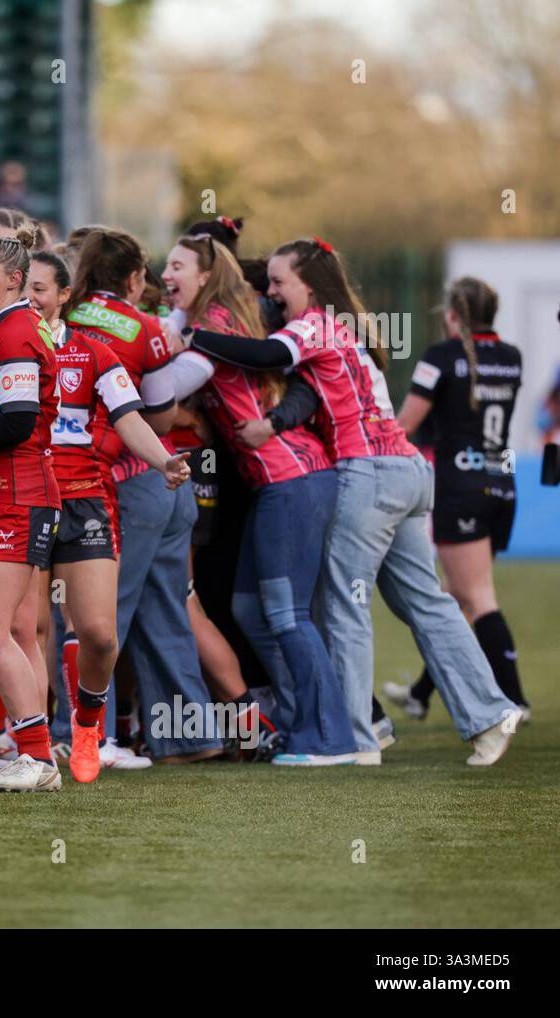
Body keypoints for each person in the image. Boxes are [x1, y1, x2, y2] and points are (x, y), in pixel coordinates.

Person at [173, 238, 520, 766]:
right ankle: (491, 715)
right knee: (424, 602)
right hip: (408, 471)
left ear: (307, 286)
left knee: (341, 603)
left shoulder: (312, 323)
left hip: (370, 471)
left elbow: (268, 354)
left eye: (279, 281)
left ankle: (357, 737)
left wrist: (191, 335)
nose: (271, 291)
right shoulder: (346, 326)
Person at [164, 235, 351, 764]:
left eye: (177, 266)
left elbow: (166, 389)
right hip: (280, 483)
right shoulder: (216, 321)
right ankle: (301, 726)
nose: (166, 275)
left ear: (205, 276)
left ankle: (331, 738)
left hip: (292, 480)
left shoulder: (216, 322)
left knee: (288, 616)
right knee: (251, 610)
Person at [65, 229, 225, 764]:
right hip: (166, 479)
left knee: (98, 615)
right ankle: (190, 736)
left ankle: (94, 738)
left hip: (116, 483)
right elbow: (155, 415)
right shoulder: (147, 328)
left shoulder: (62, 317)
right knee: (165, 610)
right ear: (135, 278)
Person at [37, 248, 190, 781]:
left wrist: (164, 460)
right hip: (20, 496)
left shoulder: (93, 353)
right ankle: (30, 741)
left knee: (100, 633)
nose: (31, 298)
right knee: (24, 626)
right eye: (23, 288)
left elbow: (131, 417)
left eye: (41, 289)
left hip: (84, 498)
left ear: (63, 296)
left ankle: (86, 728)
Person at [386, 277, 529, 721]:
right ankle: (421, 693)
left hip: (460, 486)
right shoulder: (511, 356)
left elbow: (405, 424)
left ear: (452, 315)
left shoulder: (441, 357)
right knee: (458, 596)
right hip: (502, 484)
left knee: (476, 597)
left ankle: (514, 701)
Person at [0, 228, 65, 792]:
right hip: (3, 493)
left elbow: (20, 419)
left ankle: (38, 755)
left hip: (18, 495)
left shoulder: (15, 329)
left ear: (14, 281)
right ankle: (8, 745)